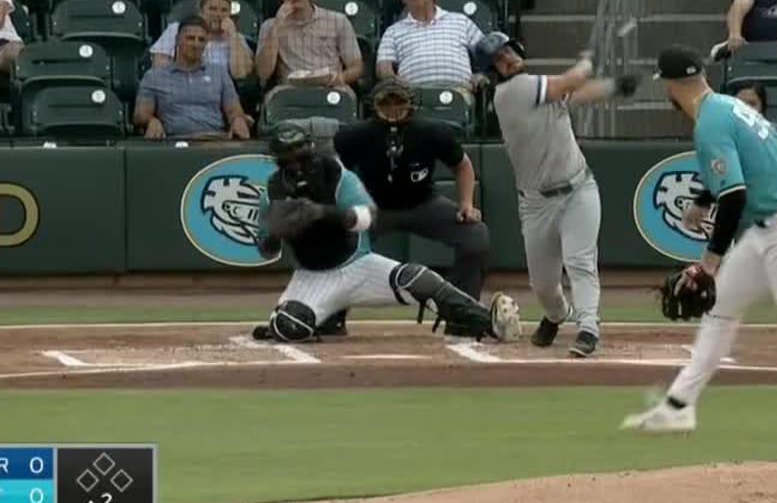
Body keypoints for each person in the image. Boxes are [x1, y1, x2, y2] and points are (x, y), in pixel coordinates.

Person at [619, 45, 777, 465]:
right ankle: (678, 408)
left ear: (672, 87)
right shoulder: (725, 106)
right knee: (721, 312)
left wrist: (708, 263)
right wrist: (700, 199)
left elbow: (734, 195)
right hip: (770, 230)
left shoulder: (709, 122)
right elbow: (738, 172)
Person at [248, 122, 520, 344]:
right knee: (289, 326)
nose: (296, 163)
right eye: (288, 158)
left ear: (310, 150)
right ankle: (325, 320)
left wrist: (321, 213)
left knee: (419, 279)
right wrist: (274, 233)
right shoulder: (273, 193)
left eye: (300, 155)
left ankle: (488, 321)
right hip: (312, 276)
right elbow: (266, 250)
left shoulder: (337, 175)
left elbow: (368, 218)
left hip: (357, 265)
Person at [477, 33, 638, 357]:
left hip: (579, 188)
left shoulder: (536, 89)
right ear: (493, 70)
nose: (507, 58)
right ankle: (555, 315)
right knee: (543, 285)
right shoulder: (511, 93)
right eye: (498, 58)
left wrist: (613, 88)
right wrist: (587, 62)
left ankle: (588, 328)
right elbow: (572, 81)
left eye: (507, 51)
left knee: (580, 261)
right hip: (536, 203)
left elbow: (575, 94)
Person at [327, 79, 492, 337]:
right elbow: (336, 173)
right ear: (374, 105)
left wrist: (466, 204)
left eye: (399, 102)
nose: (393, 109)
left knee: (475, 235)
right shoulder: (355, 135)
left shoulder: (433, 131)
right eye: (386, 103)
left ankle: (463, 313)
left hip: (422, 202)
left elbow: (463, 166)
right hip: (373, 207)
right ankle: (329, 314)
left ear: (411, 104)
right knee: (334, 239)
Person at [134, 15, 254, 140]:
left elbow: (233, 109)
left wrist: (238, 119)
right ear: (177, 40)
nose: (196, 44)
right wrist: (151, 120)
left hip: (214, 140)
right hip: (173, 142)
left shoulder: (219, 73)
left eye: (201, 40)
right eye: (190, 38)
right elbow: (140, 114)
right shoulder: (155, 76)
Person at [256, 0, 364, 97]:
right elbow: (263, 73)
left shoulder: (338, 21)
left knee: (344, 97)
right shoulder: (269, 26)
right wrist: (277, 27)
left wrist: (339, 79)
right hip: (289, 90)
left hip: (331, 87)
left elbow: (356, 66)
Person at [377, 0, 484, 92]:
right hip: (413, 95)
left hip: (459, 91)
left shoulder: (460, 21)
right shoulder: (393, 31)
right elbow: (383, 66)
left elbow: (487, 51)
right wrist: (394, 81)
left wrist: (481, 75)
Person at [149, 0, 254, 84]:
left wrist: (233, 36)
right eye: (212, 9)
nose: (218, 15)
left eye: (224, 10)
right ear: (201, 10)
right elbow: (159, 67)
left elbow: (240, 74)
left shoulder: (237, 39)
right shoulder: (176, 29)